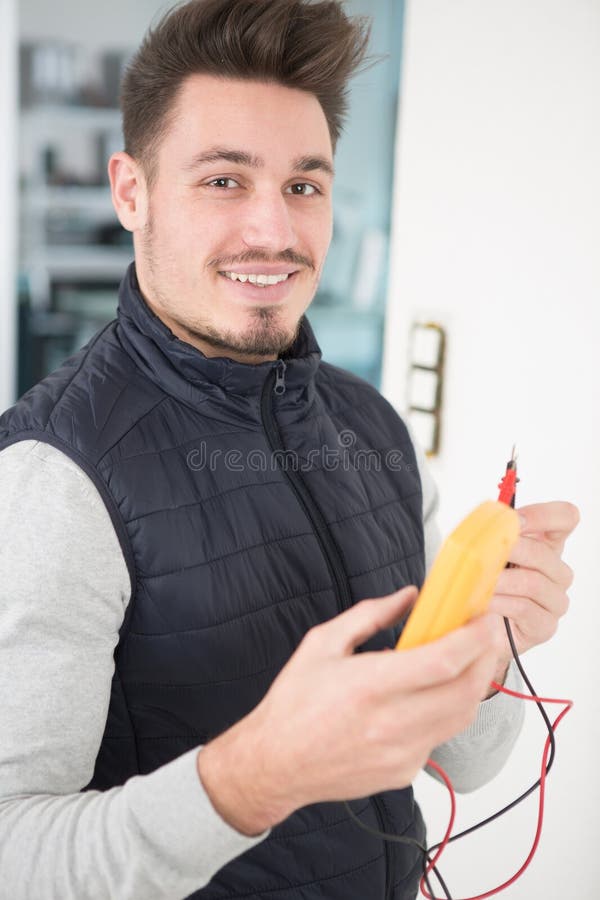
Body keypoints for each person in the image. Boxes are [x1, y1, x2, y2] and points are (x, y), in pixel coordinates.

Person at [0, 1, 578, 898]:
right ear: (131, 191)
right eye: (225, 181)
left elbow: (464, 760)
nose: (274, 232)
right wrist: (249, 780)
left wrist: (491, 641)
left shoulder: (375, 430)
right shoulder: (54, 476)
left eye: (304, 186)